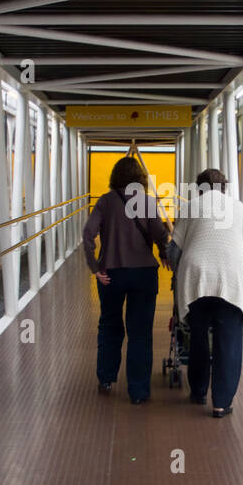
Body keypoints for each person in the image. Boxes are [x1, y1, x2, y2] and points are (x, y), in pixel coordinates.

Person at [83, 156, 171, 404]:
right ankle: (139, 391)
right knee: (140, 332)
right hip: (144, 274)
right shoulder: (147, 202)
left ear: (115, 177)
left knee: (110, 325)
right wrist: (164, 254)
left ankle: (106, 378)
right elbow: (159, 234)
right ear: (140, 178)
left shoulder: (105, 202)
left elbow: (88, 235)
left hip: (111, 274)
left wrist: (94, 266)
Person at [170, 168, 243, 418]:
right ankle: (221, 403)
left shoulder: (190, 207)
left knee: (197, 338)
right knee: (228, 342)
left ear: (199, 188)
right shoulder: (237, 208)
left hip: (195, 278)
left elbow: (174, 250)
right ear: (224, 188)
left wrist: (179, 271)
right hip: (230, 281)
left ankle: (198, 392)